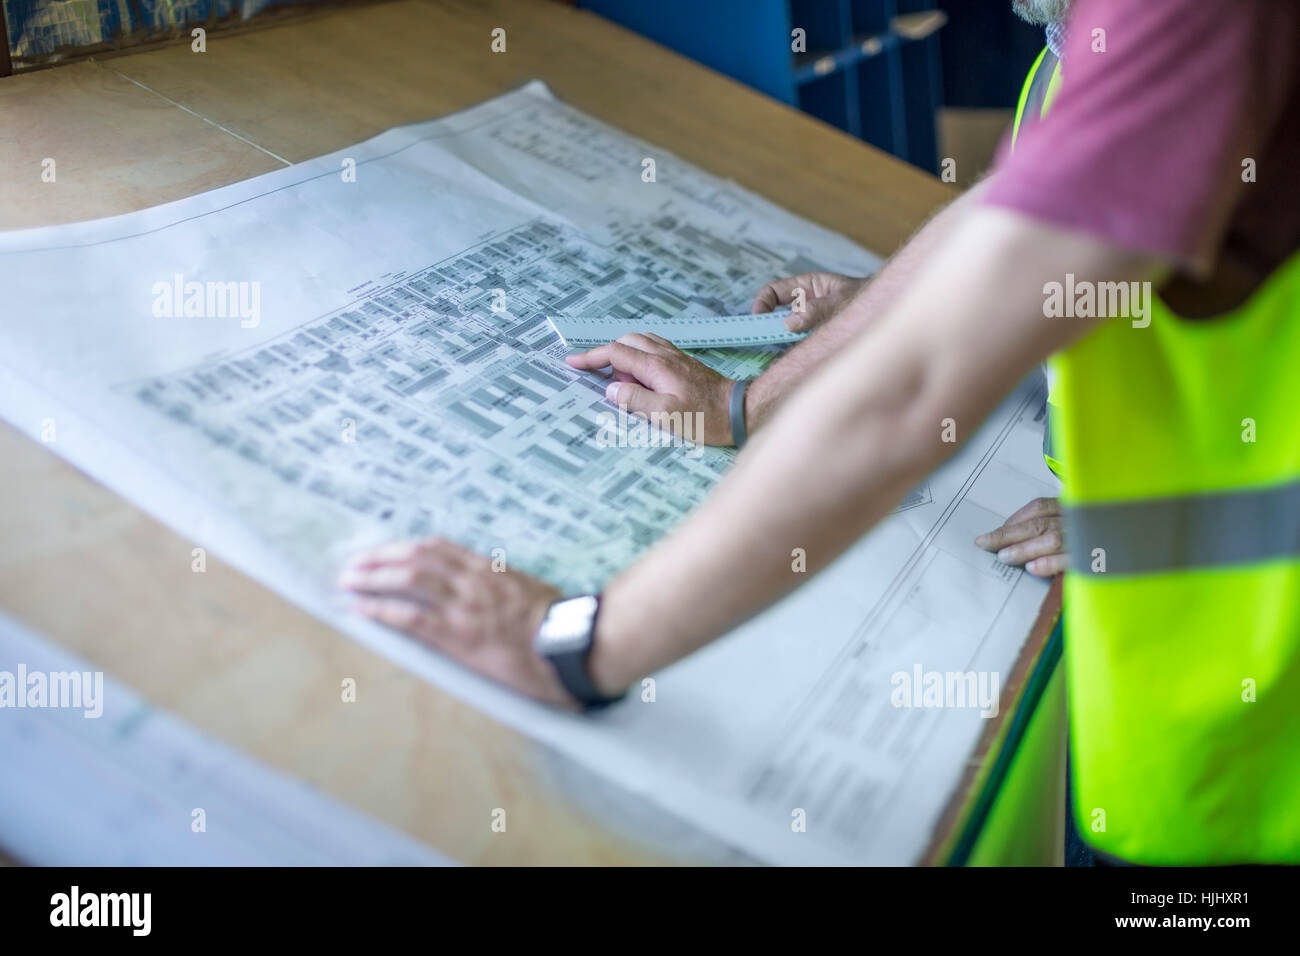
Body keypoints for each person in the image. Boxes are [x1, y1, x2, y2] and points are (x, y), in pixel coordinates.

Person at [341, 0, 1300, 864]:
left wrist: (579, 647)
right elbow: (1001, 224)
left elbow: (918, 384)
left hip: (1257, 764)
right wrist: (763, 392)